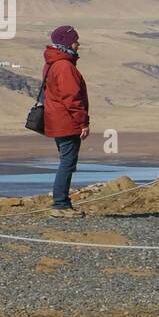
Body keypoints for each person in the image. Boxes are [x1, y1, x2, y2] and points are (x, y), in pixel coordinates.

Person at [42, 25, 89, 218]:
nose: (78, 44)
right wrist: (82, 123)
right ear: (67, 43)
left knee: (66, 161)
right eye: (75, 40)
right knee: (67, 163)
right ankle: (60, 204)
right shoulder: (64, 66)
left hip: (57, 119)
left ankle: (63, 203)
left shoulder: (54, 63)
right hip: (66, 121)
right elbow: (72, 98)